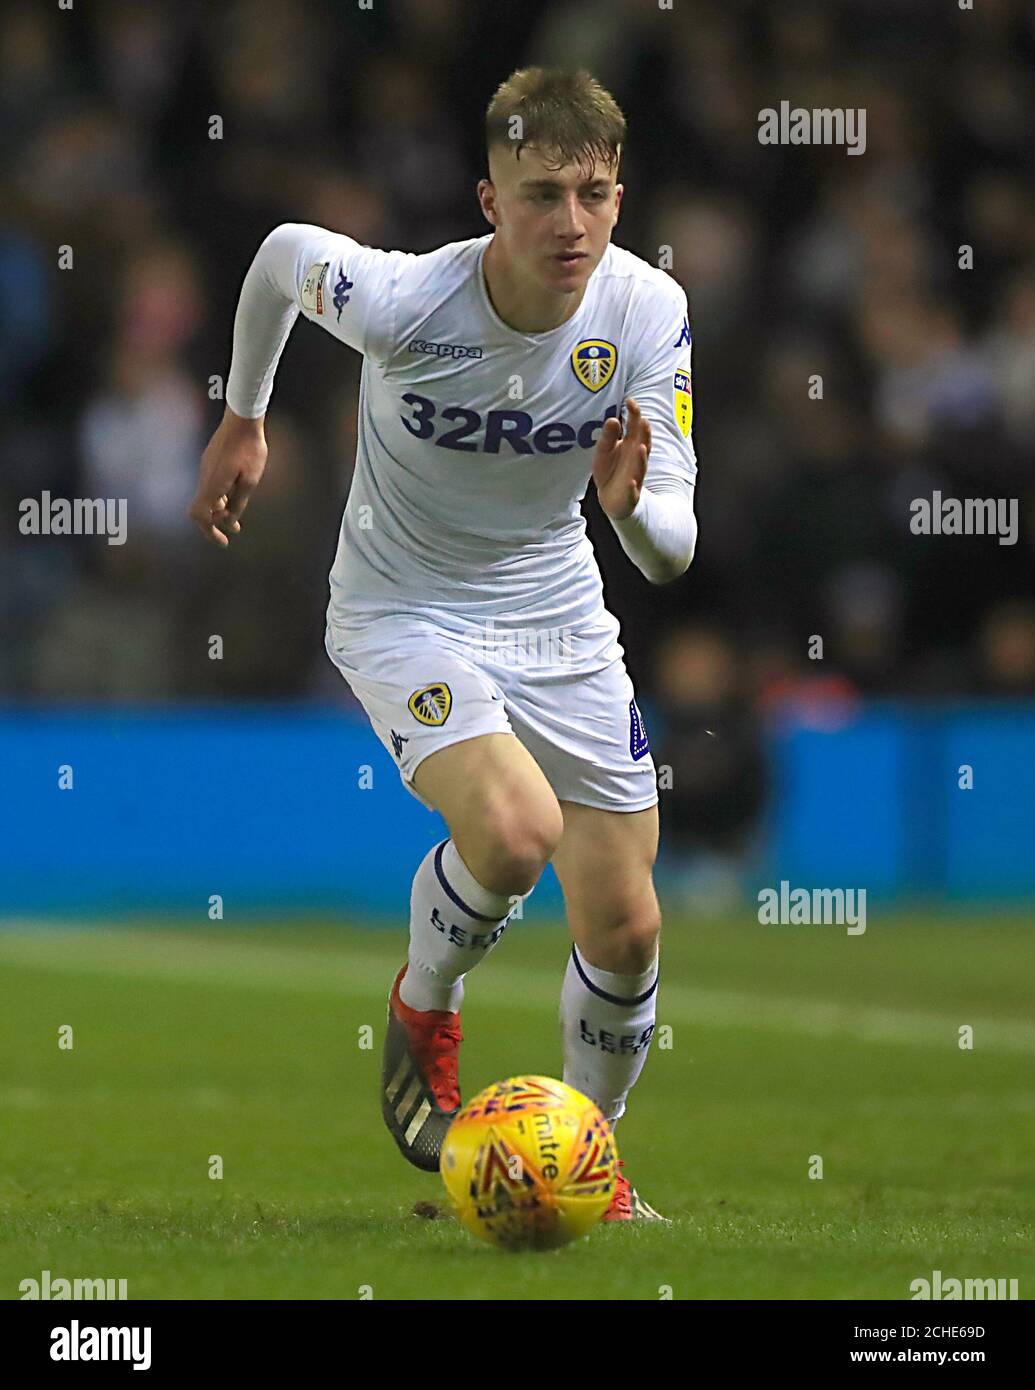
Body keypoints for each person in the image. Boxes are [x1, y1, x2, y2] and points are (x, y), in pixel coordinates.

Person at [189, 67, 697, 1220]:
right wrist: (245, 416)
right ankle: (426, 1006)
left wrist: (627, 513)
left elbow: (673, 549)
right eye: (540, 194)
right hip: (403, 606)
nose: (569, 222)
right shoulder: (409, 301)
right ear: (487, 200)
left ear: (621, 199)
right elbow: (279, 257)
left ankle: (589, 1166)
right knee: (516, 832)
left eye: (594, 193)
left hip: (559, 610)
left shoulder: (648, 314)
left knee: (628, 922)